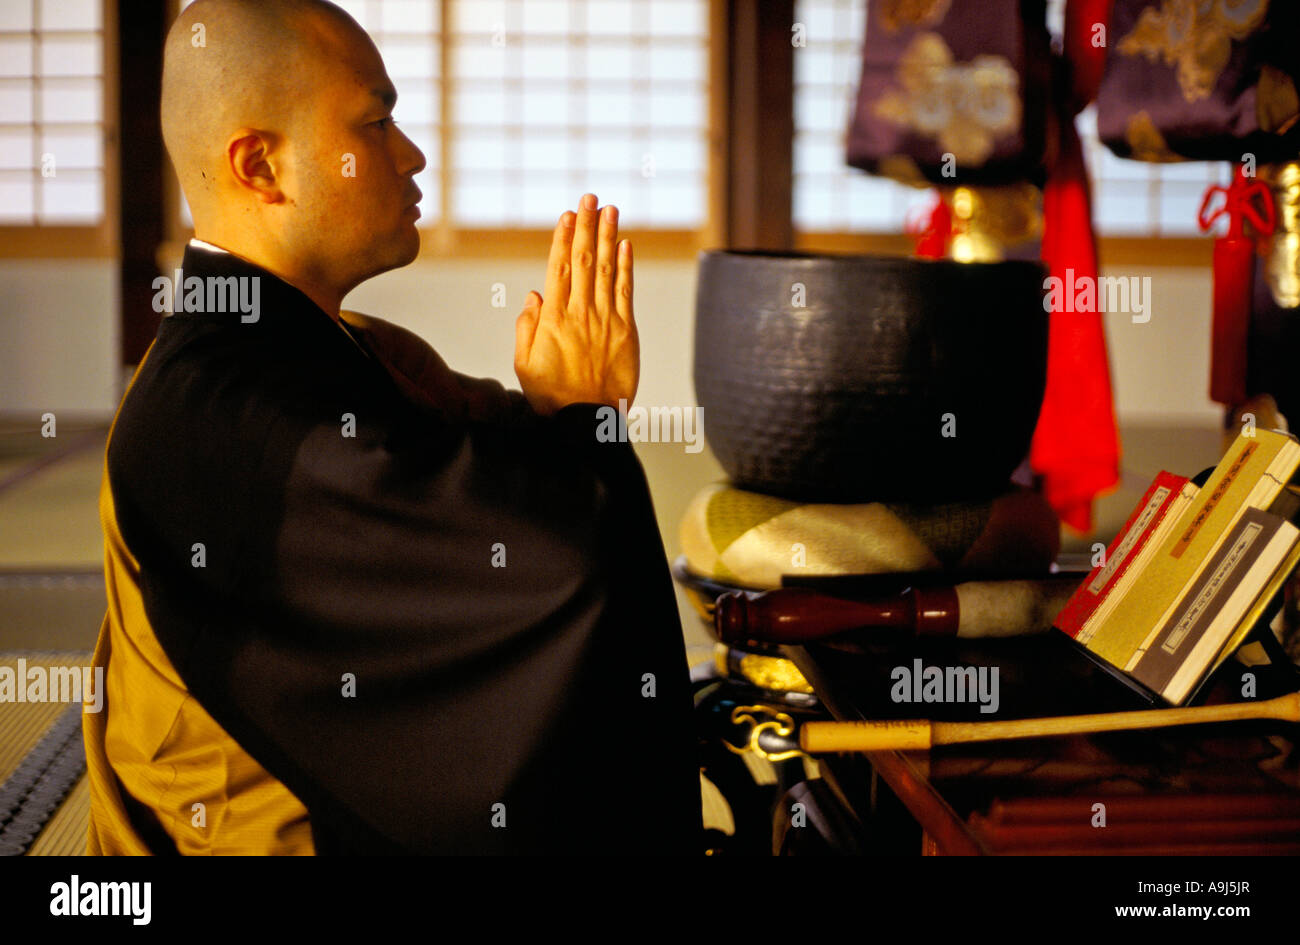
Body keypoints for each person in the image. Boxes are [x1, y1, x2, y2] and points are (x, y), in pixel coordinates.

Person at [83, 0, 703, 855]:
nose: (412, 155)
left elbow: (439, 485)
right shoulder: (227, 409)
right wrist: (581, 422)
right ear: (261, 165)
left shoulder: (301, 345)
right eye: (375, 122)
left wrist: (544, 412)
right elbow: (553, 570)